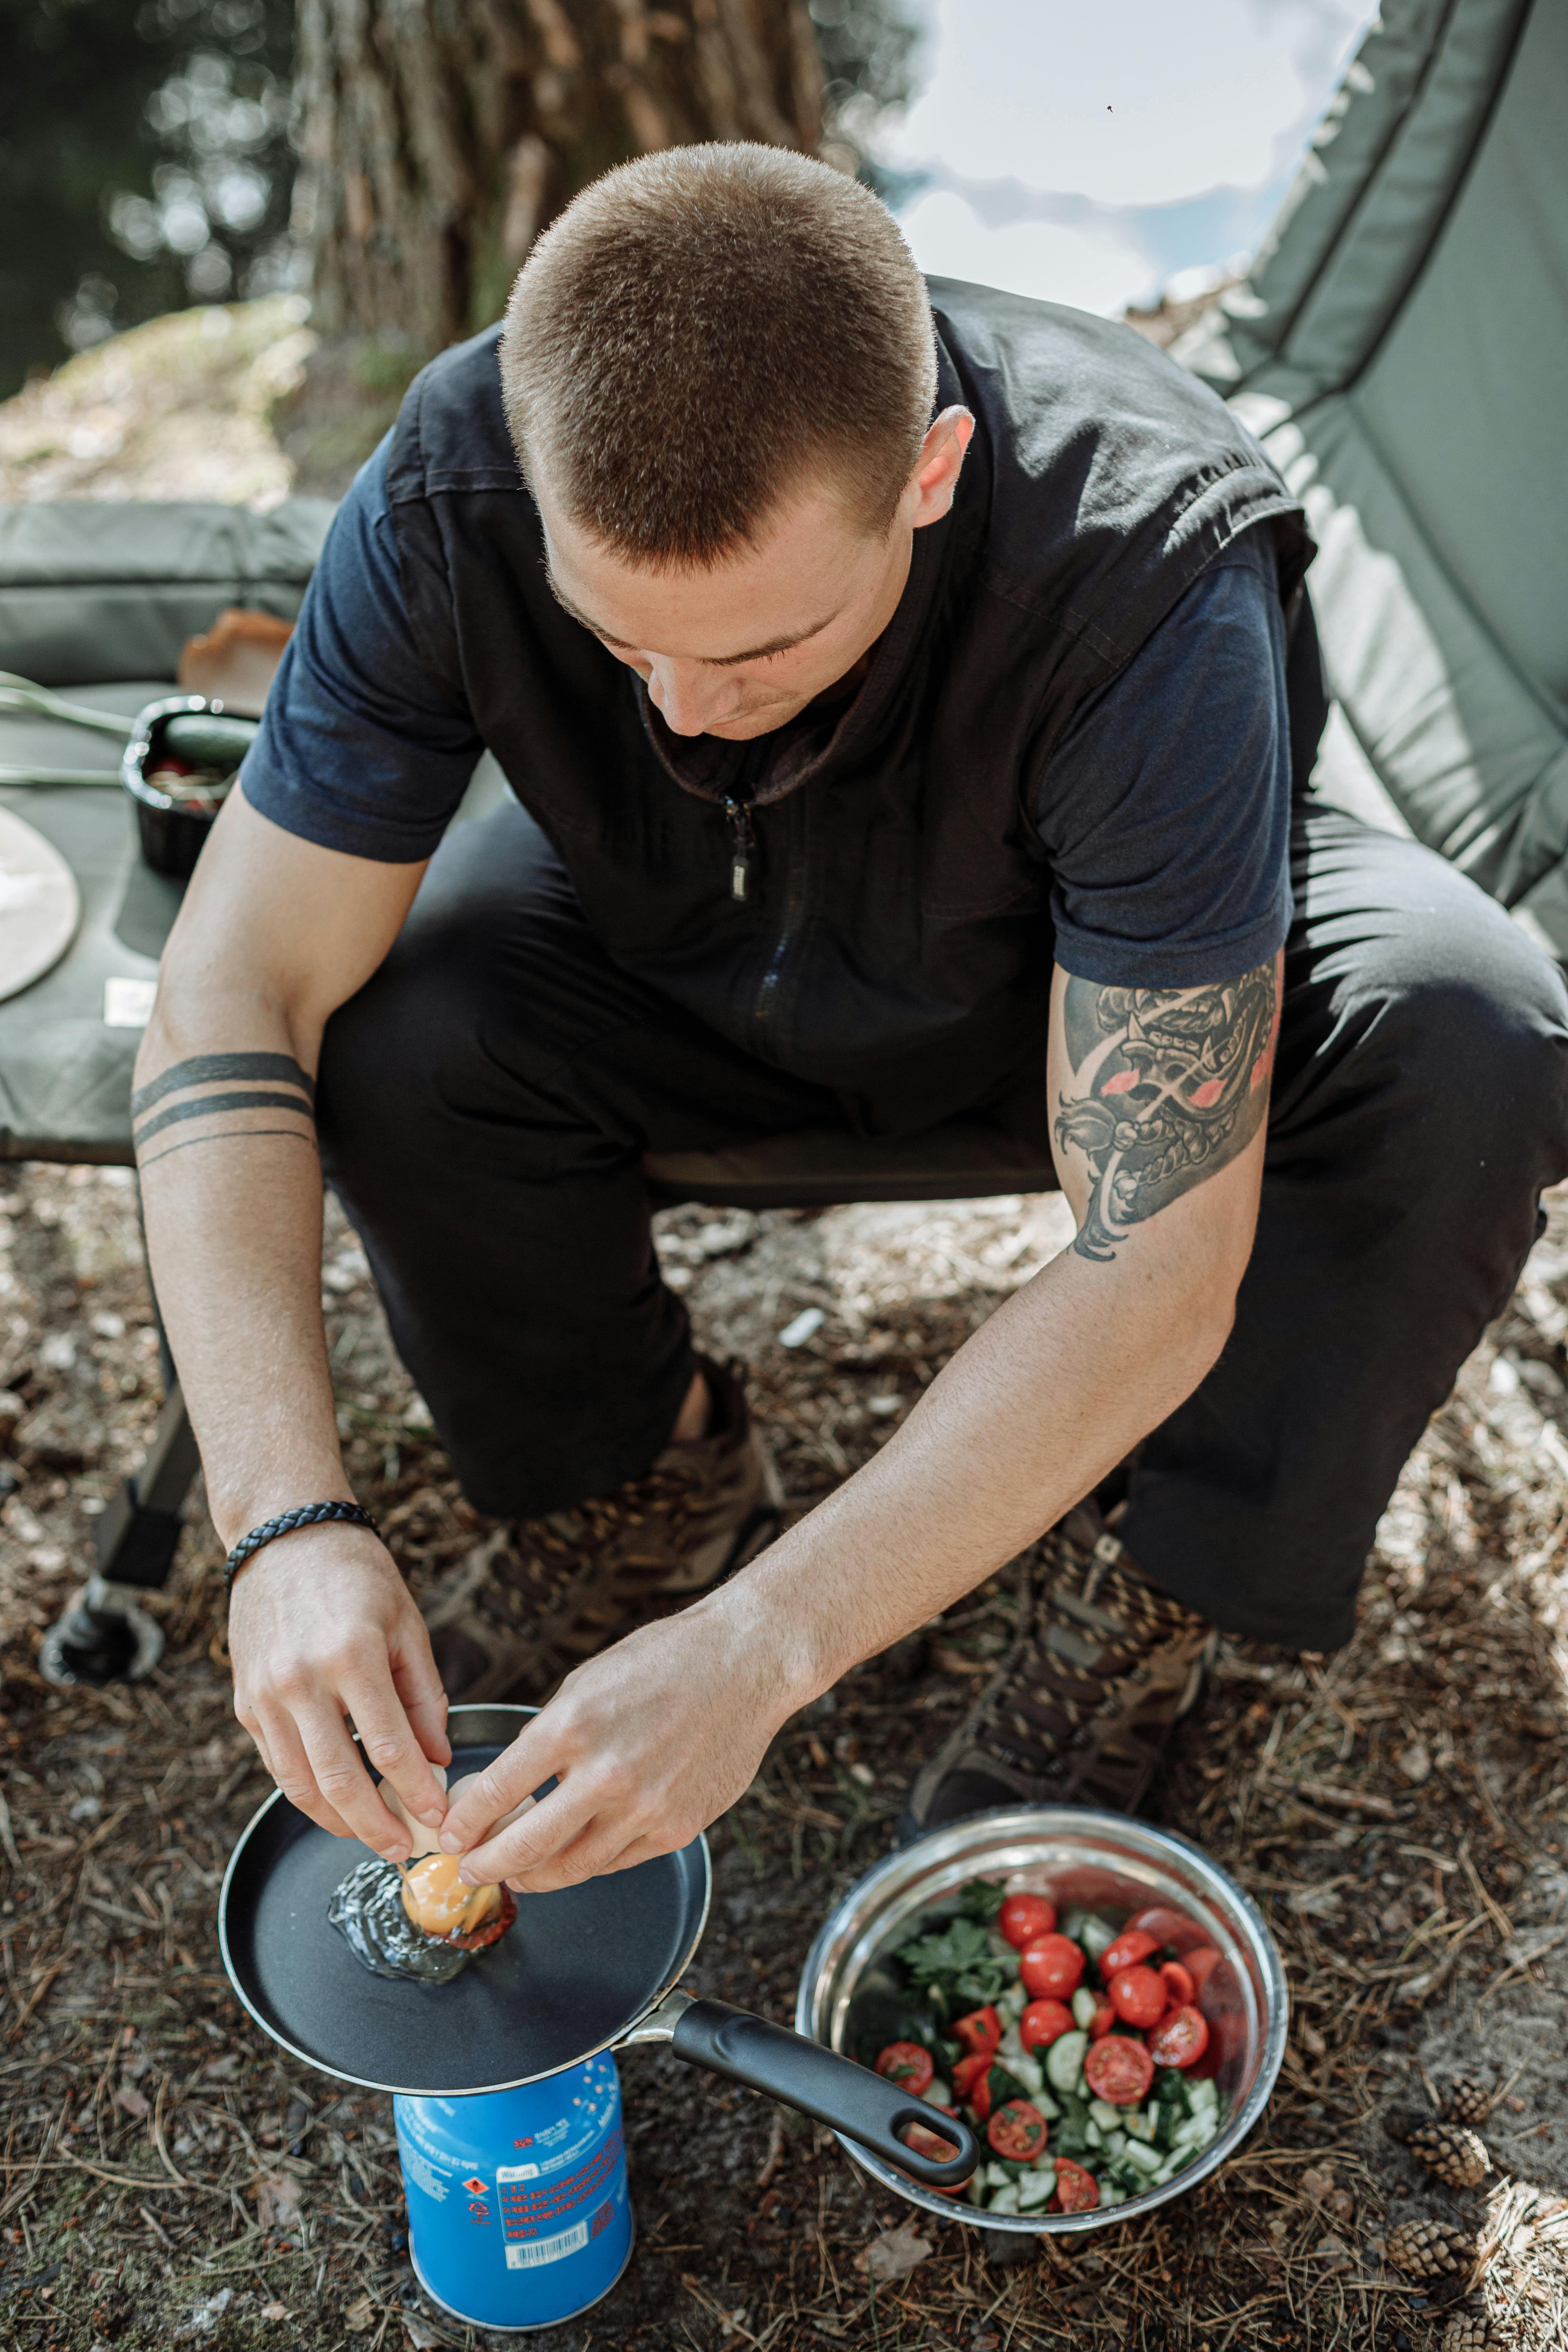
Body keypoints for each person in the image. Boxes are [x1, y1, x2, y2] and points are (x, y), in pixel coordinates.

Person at [135, 144, 1568, 1900]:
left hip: (1092, 1001)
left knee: (1467, 1032)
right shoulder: (451, 479)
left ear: (932, 474)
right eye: (621, 638)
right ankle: (634, 1485)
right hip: (683, 955)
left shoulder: (1138, 561)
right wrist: (278, 1518)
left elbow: (1161, 1263)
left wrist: (768, 1644)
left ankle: (1151, 1593)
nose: (686, 710)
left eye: (761, 647)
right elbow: (234, 986)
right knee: (390, 1004)